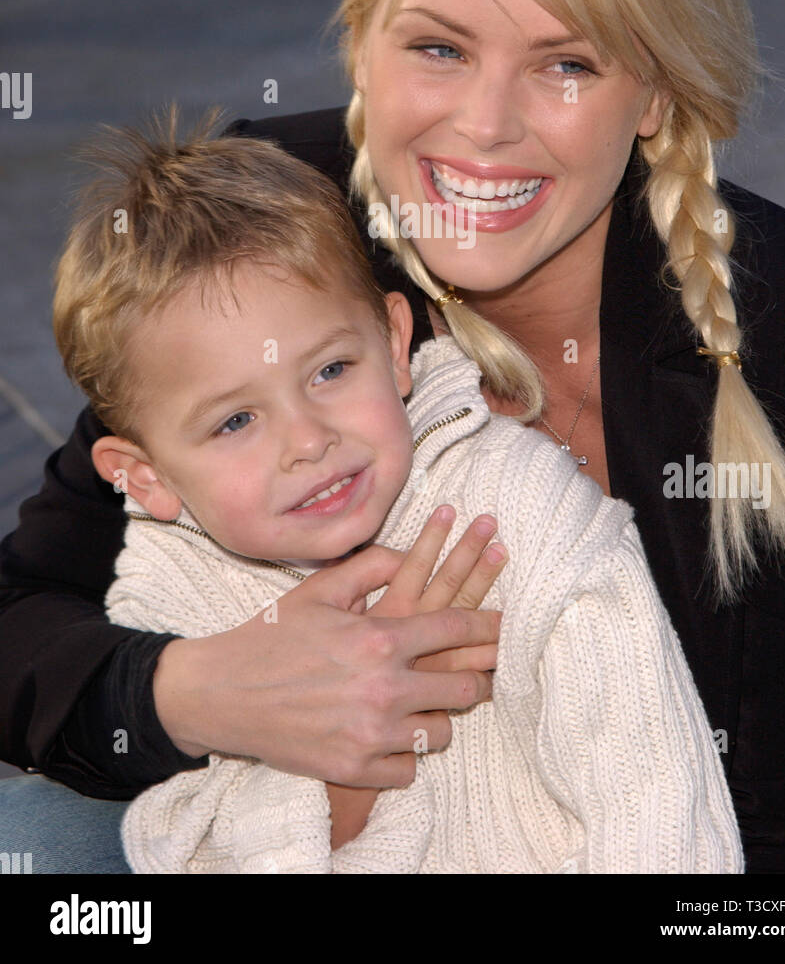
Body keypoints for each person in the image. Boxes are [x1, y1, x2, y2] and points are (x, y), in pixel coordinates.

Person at [1, 0, 785, 874]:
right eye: (437, 47)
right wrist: (203, 688)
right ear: (359, 37)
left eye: (565, 63)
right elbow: (25, 613)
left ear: (652, 92)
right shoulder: (277, 223)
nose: (482, 126)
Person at [57, 110, 741, 872]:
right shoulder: (168, 594)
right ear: (143, 475)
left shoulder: (524, 511)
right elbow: (186, 850)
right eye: (237, 420)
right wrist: (336, 773)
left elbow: (654, 802)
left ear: (392, 343)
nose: (308, 440)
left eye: (328, 372)